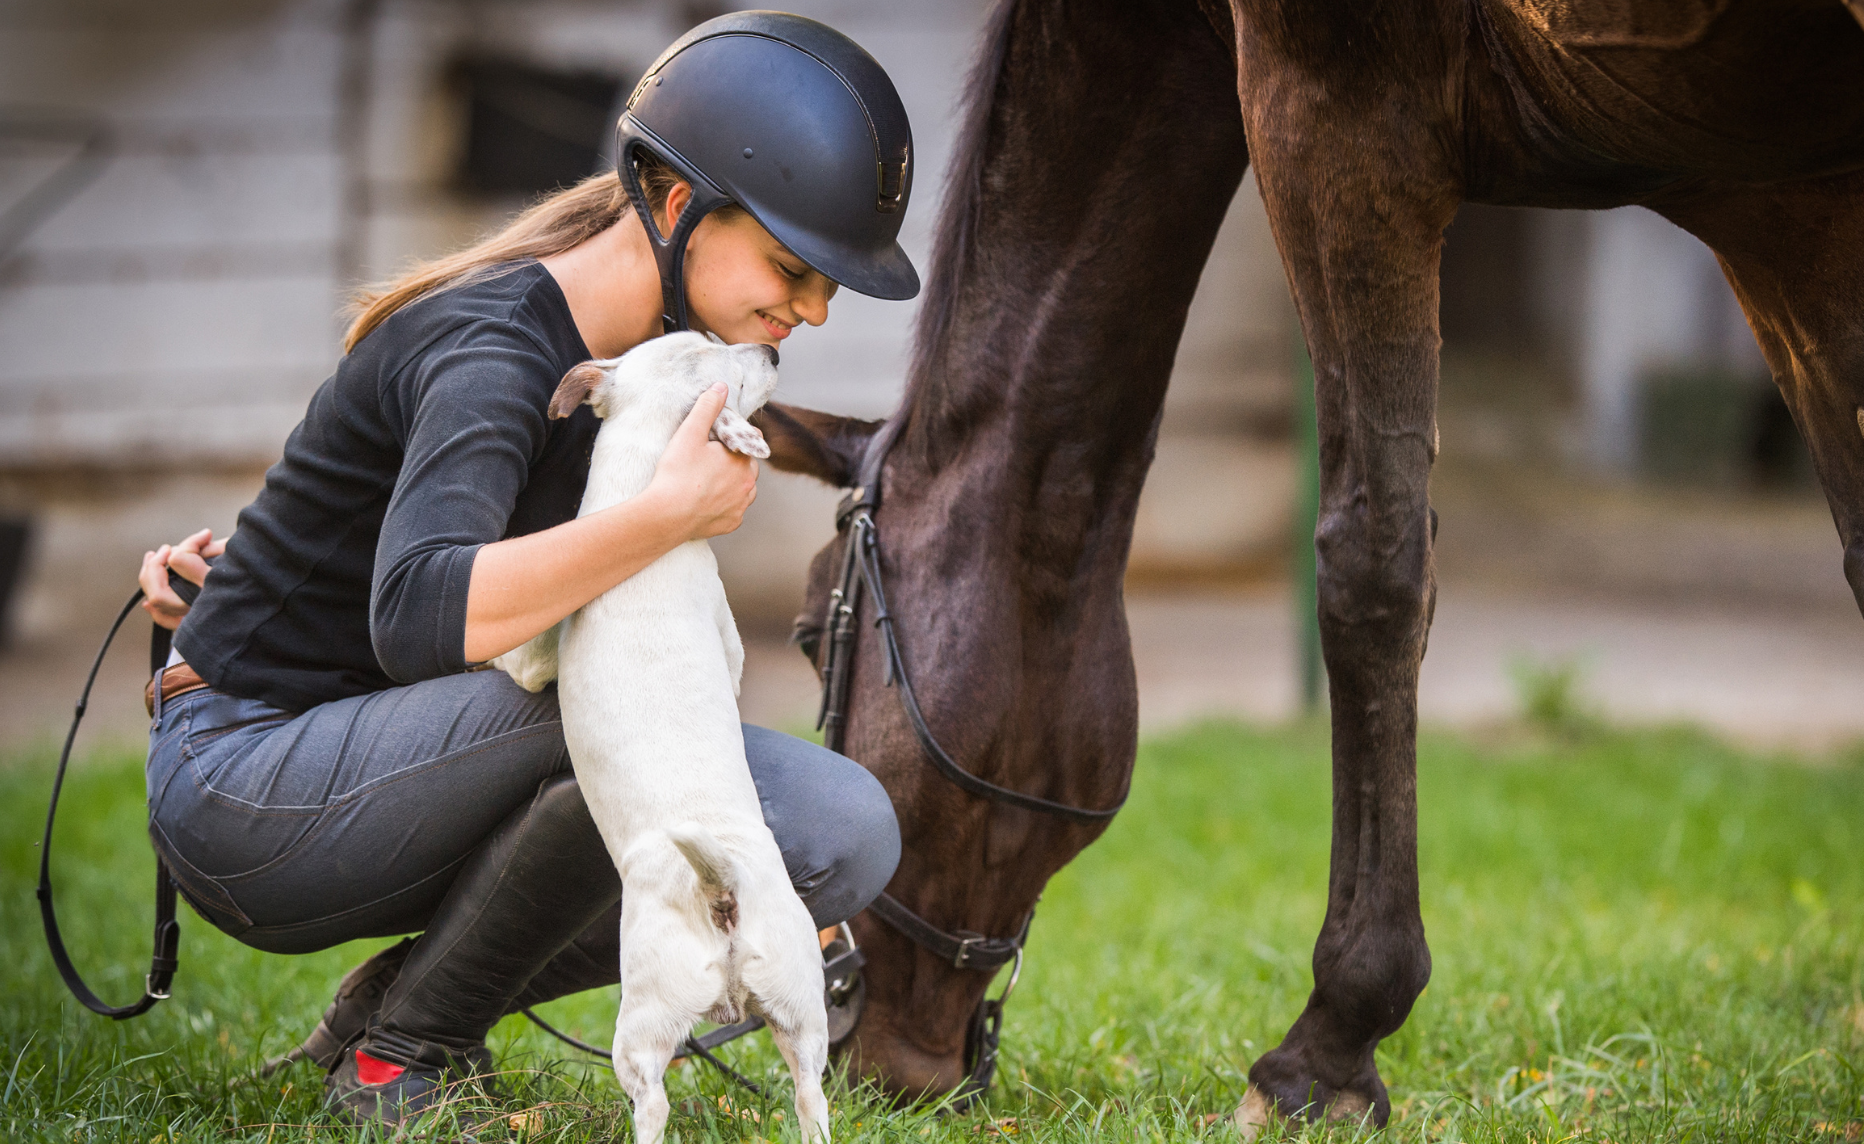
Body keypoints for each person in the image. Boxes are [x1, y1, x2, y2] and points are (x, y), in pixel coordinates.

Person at [136, 12, 917, 1126]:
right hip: (247, 789)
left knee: (836, 831)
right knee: (620, 701)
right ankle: (404, 1056)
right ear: (676, 202)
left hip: (385, 757)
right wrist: (660, 518)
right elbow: (419, 616)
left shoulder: (641, 368)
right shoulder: (492, 346)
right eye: (793, 266)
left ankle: (407, 1002)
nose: (813, 308)